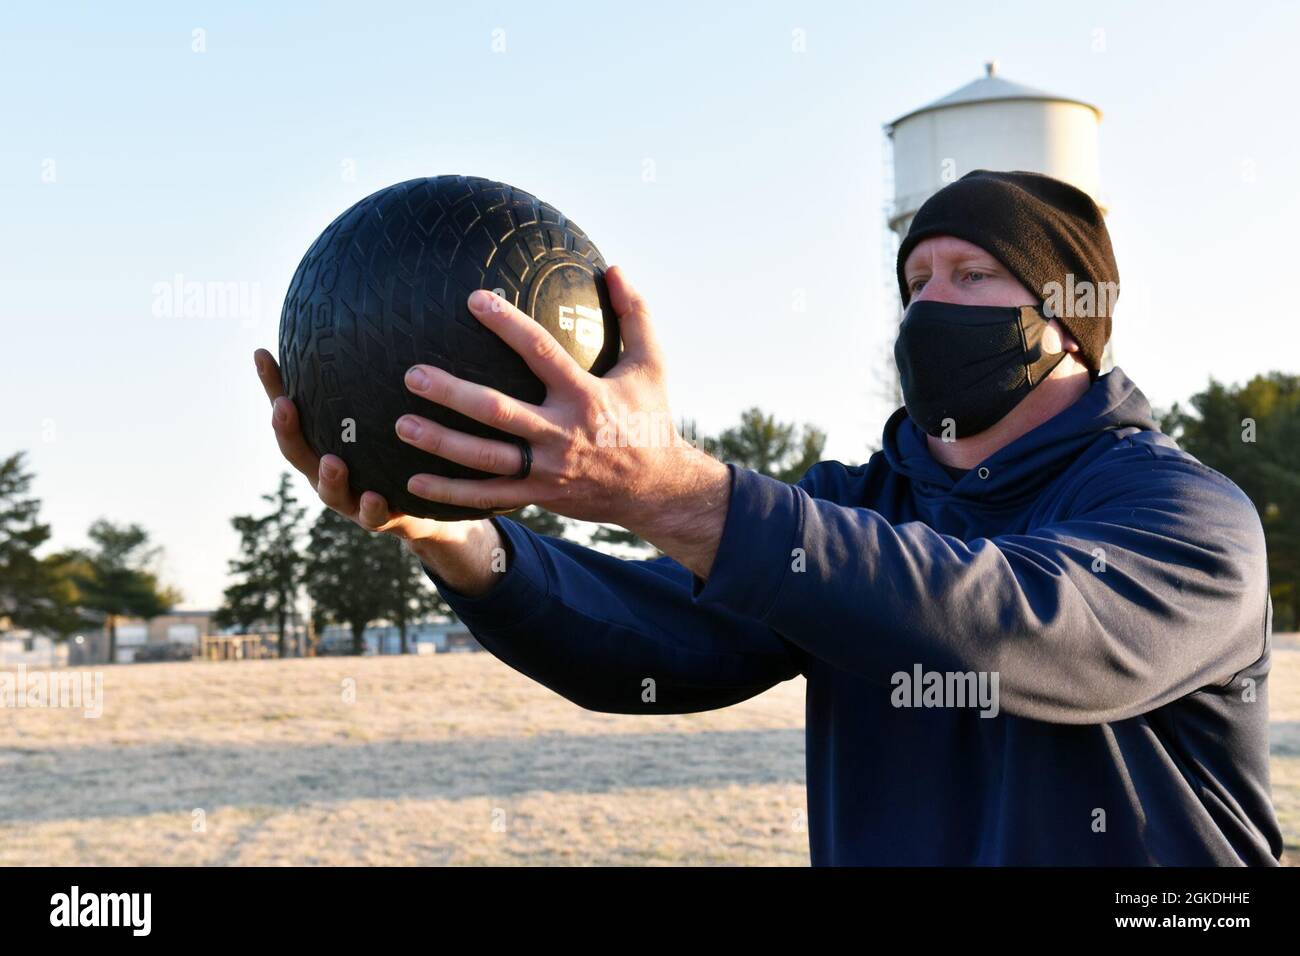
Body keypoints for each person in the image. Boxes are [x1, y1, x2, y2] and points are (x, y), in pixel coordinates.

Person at [254, 169, 1283, 865]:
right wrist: (455, 535)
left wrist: (661, 484)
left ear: (1068, 317)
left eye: (972, 276)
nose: (929, 303)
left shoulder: (1183, 512)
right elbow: (667, 635)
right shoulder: (853, 506)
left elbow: (1029, 626)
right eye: (914, 279)